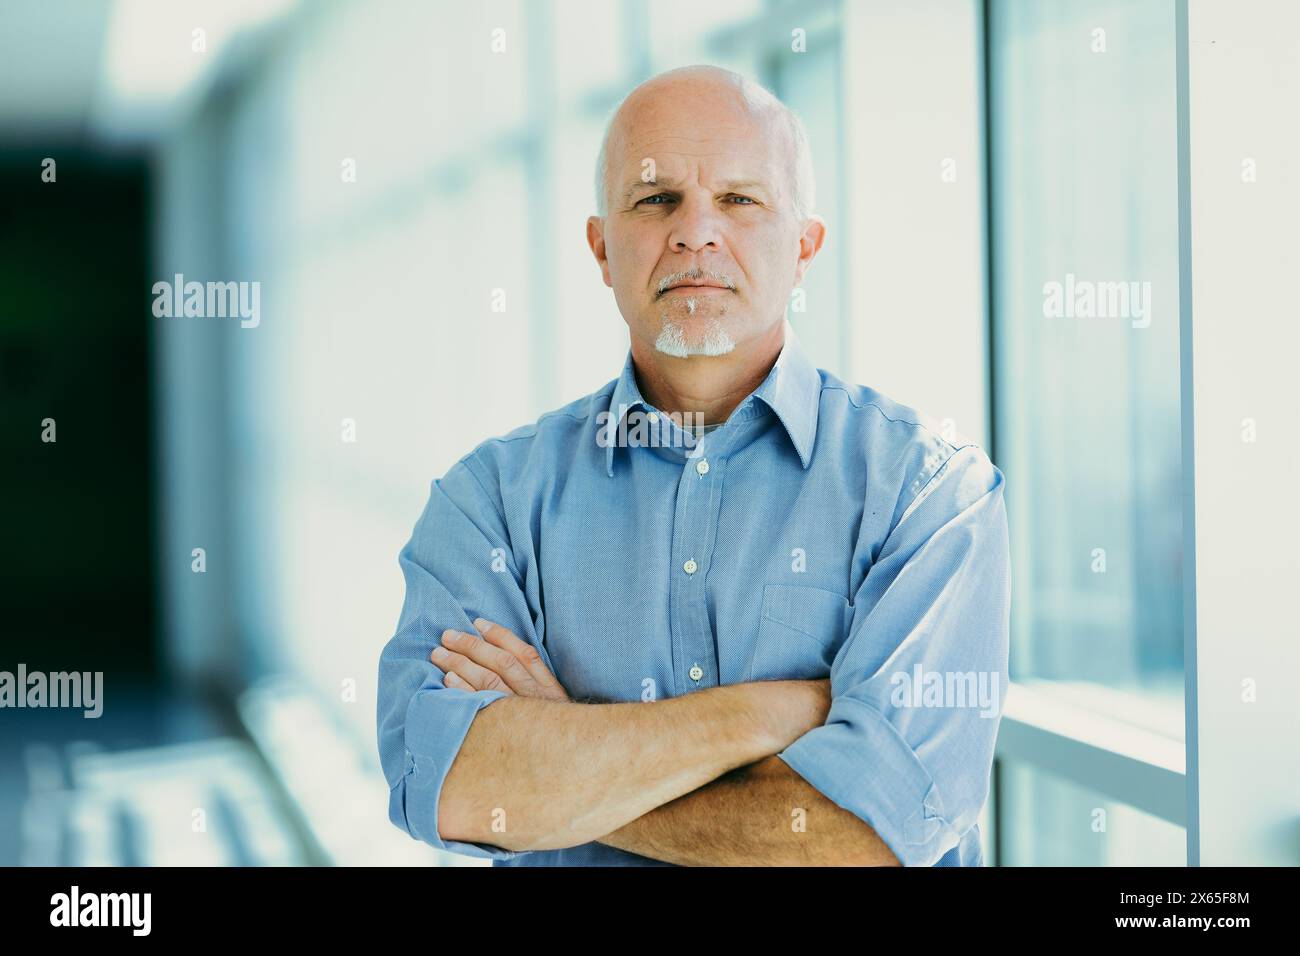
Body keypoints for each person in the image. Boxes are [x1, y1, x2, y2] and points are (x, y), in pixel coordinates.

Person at [377, 64, 1009, 866]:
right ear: (602, 248)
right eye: (655, 199)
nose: (696, 232)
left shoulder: (929, 496)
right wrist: (757, 717)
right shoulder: (490, 504)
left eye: (741, 200)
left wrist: (568, 765)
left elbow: (868, 837)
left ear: (805, 247)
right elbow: (447, 780)